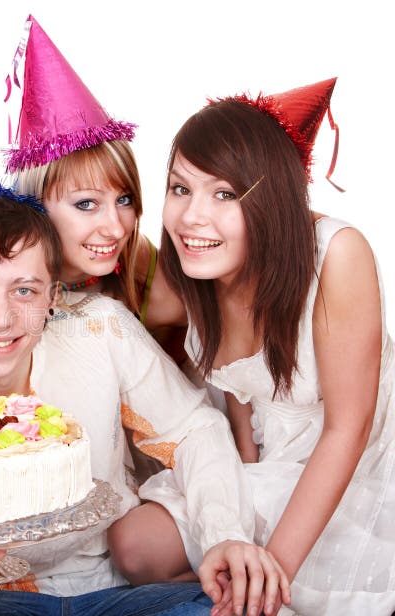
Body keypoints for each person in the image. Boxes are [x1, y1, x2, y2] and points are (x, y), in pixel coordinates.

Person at [0, 135, 290, 616]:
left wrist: (225, 536)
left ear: (53, 293)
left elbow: (193, 430)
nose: (1, 319)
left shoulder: (100, 327)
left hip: (116, 594)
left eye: (24, 290)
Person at [130, 78, 395, 614]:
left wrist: (270, 575)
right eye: (180, 189)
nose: (191, 218)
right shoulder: (201, 273)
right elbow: (239, 407)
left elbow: (350, 429)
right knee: (133, 545)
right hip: (272, 460)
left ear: (271, 199)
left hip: (358, 464)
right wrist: (238, 520)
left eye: (224, 193)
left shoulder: (337, 255)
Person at [5, 15, 187, 359]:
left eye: (124, 199)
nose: (116, 227)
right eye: (86, 204)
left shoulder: (147, 280)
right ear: (34, 207)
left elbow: (219, 330)